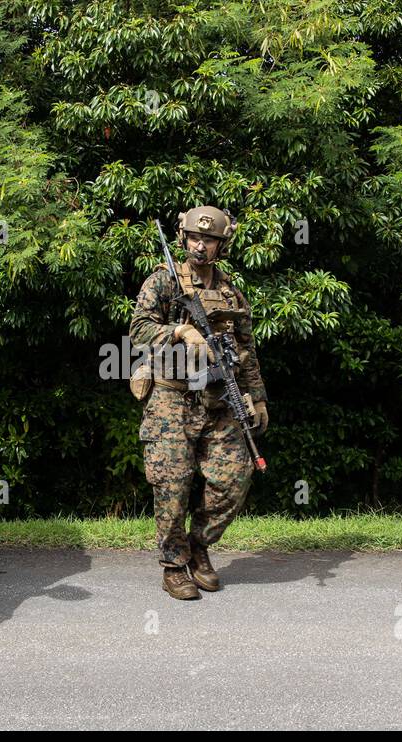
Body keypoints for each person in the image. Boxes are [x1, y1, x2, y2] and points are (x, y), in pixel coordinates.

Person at [128, 205, 268, 600]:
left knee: (233, 479)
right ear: (182, 238)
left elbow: (247, 349)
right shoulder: (164, 282)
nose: (199, 245)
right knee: (171, 484)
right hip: (171, 399)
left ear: (221, 245)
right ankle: (174, 565)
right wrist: (179, 332)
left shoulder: (230, 292)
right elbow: (138, 330)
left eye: (207, 239)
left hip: (219, 399)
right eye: (193, 237)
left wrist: (257, 398)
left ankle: (199, 548)